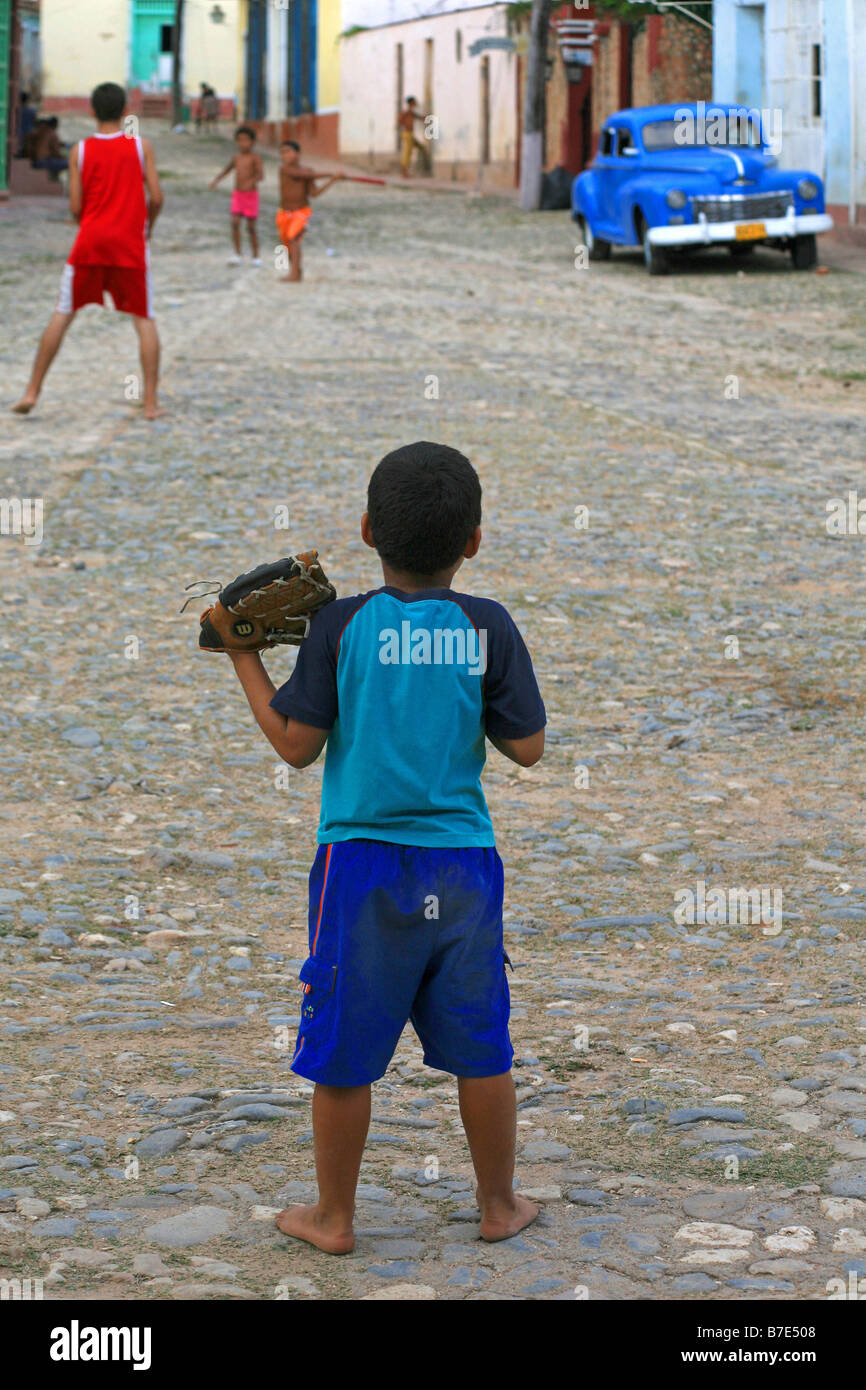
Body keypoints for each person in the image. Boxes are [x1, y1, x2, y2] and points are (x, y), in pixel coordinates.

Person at [225, 441, 547, 1254]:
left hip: (360, 868)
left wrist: (244, 658)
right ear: (473, 540)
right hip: (463, 866)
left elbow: (297, 748)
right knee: (483, 1048)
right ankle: (499, 1205)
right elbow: (530, 747)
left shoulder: (340, 624)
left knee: (343, 1053)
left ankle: (334, 1219)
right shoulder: (488, 626)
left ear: (368, 530)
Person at [11, 82, 164, 419]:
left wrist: (87, 221)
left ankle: (32, 391)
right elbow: (156, 197)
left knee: (63, 313)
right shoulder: (141, 147)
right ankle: (151, 403)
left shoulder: (80, 151)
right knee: (144, 318)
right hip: (130, 245)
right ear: (126, 112)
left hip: (90, 243)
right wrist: (147, 228)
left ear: (92, 111)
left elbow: (76, 206)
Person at [275, 140, 344, 283]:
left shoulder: (308, 172)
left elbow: (314, 193)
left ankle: (294, 275)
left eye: (288, 151)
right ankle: (296, 271)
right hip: (284, 212)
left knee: (294, 239)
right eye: (282, 152)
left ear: (298, 154)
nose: (285, 155)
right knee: (286, 244)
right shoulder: (284, 169)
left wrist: (332, 181)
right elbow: (303, 175)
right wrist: (332, 174)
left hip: (301, 212)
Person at [210, 126, 263, 265]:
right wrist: (216, 180)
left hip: (251, 195)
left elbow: (260, 175)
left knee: (251, 227)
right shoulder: (236, 157)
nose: (242, 143)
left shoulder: (255, 158)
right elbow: (227, 169)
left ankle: (256, 256)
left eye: (246, 140)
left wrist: (251, 181)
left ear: (252, 142)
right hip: (238, 195)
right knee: (235, 223)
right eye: (240, 140)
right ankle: (237, 253)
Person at [398, 96, 426, 178]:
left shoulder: (411, 113)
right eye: (414, 102)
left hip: (410, 134)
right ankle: (404, 172)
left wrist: (427, 118)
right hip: (407, 134)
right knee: (407, 152)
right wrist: (404, 125)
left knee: (420, 148)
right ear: (411, 103)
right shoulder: (406, 113)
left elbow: (420, 118)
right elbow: (400, 119)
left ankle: (412, 169)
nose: (416, 103)